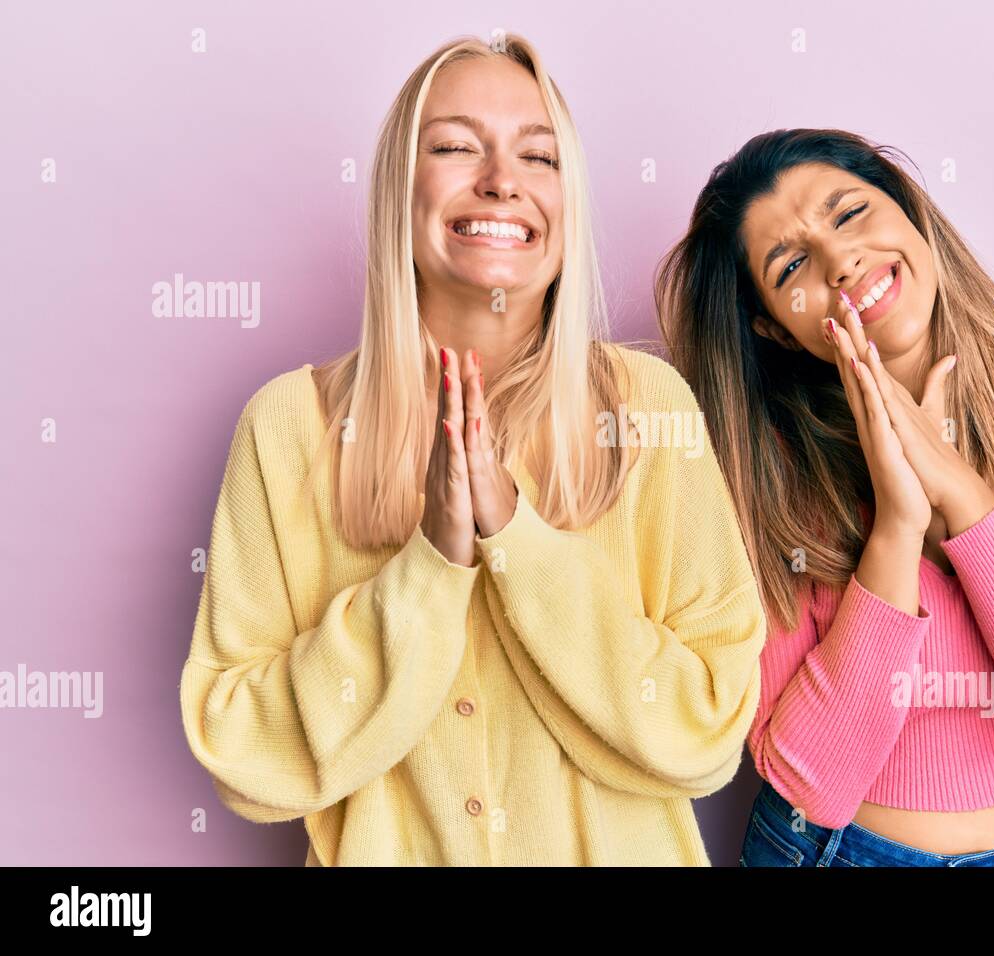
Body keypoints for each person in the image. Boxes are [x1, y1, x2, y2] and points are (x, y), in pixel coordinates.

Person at [179, 34, 766, 866]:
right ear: (398, 189)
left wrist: (516, 540)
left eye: (539, 155)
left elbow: (706, 731)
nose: (501, 179)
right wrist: (429, 567)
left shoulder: (647, 409)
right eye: (455, 146)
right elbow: (243, 755)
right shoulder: (288, 426)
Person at [655, 128, 994, 866]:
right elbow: (811, 783)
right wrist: (897, 528)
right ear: (772, 329)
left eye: (850, 214)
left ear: (911, 212)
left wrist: (963, 497)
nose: (841, 260)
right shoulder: (755, 471)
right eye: (792, 265)